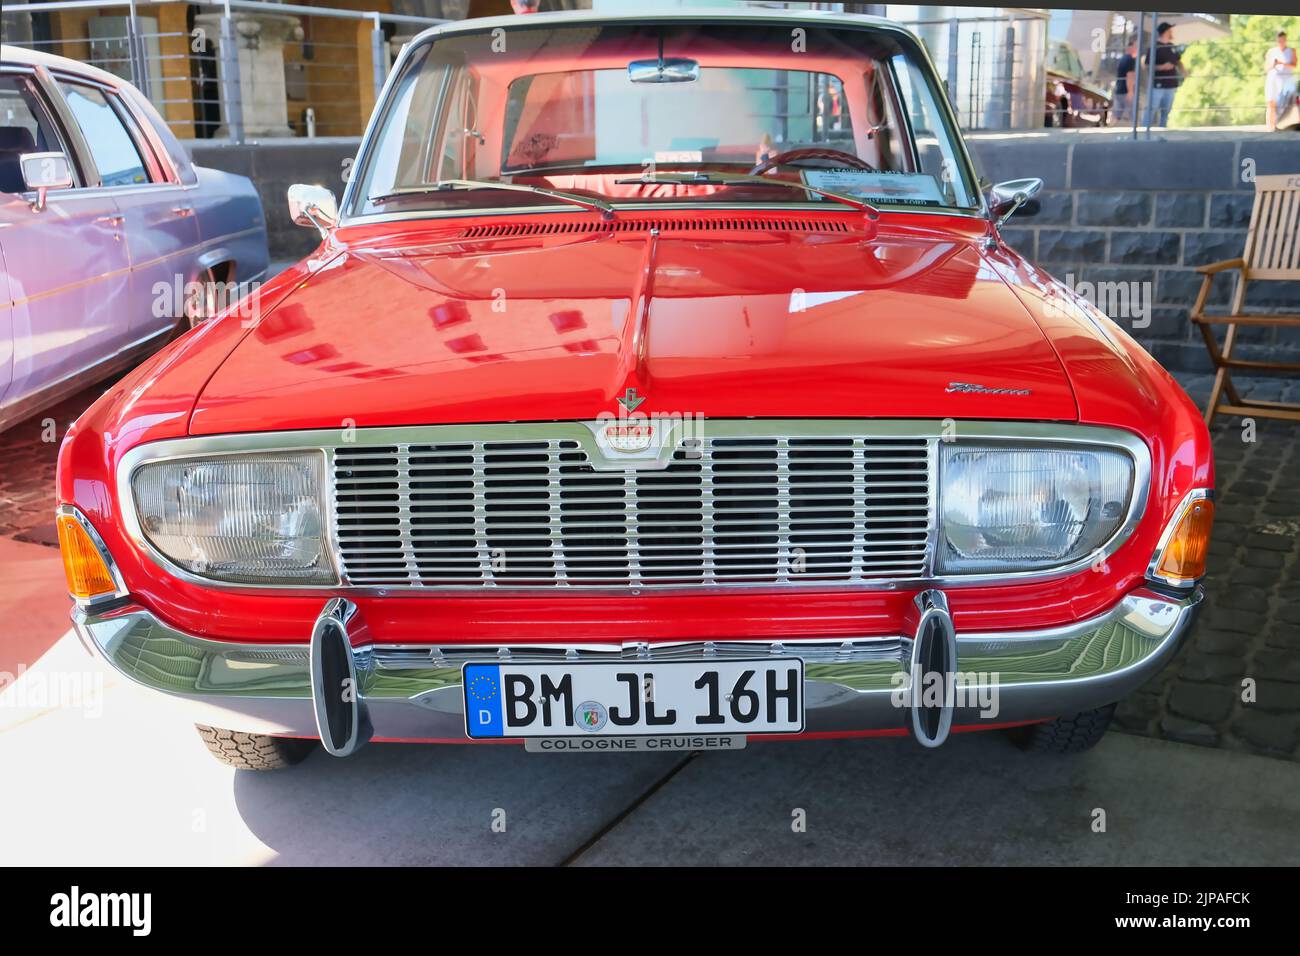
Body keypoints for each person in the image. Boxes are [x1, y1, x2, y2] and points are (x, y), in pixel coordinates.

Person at [1141, 22, 1184, 128]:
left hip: (1171, 85)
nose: (1172, 33)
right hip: (1158, 85)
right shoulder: (1154, 47)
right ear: (1165, 32)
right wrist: (1161, 67)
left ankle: (1162, 129)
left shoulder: (1172, 46)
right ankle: (1144, 130)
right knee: (1152, 109)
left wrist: (1184, 71)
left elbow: (1178, 60)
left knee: (1166, 111)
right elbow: (1146, 65)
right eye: (1170, 30)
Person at [1265, 31, 1296, 132]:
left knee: (1282, 104)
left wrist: (1281, 63)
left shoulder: (1291, 51)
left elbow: (1294, 65)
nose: (1281, 42)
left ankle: (1279, 125)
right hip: (1272, 79)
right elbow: (1266, 68)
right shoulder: (1271, 51)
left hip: (1285, 81)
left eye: (1283, 40)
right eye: (1279, 40)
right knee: (1270, 103)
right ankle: (1270, 127)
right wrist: (1273, 64)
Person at [1113, 37, 1138, 125]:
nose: (1137, 48)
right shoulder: (1130, 60)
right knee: (1133, 117)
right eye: (1136, 46)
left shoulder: (1123, 59)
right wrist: (1130, 91)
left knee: (1116, 117)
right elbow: (1130, 75)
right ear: (1130, 47)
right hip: (1125, 91)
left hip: (1119, 90)